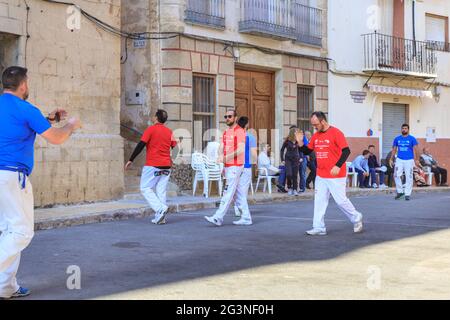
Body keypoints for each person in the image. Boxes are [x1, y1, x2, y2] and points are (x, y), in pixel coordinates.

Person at [0, 66, 82, 299]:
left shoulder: (15, 109)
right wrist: (71, 125)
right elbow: (56, 138)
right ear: (23, 85)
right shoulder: (26, 108)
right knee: (21, 233)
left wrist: (48, 118)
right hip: (12, 177)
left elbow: (17, 125)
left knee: (8, 230)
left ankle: (5, 287)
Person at [297, 112, 363, 236]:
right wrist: (300, 142)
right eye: (313, 125)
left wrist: (338, 166)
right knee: (319, 201)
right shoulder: (316, 136)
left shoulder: (336, 133)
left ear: (323, 122)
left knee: (341, 201)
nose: (314, 128)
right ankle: (319, 227)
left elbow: (346, 151)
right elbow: (307, 151)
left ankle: (356, 217)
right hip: (321, 174)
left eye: (316, 125)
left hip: (336, 175)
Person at [125, 109, 177, 225]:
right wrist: (171, 159)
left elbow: (140, 145)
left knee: (145, 188)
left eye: (154, 116)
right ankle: (161, 218)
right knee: (161, 190)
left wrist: (131, 160)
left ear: (156, 118)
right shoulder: (169, 132)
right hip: (166, 166)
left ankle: (160, 209)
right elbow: (175, 147)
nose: (153, 117)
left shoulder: (151, 129)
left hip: (153, 165)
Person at [204, 110, 247, 226]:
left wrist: (225, 157)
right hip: (228, 166)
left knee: (227, 192)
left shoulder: (240, 131)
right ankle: (247, 217)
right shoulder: (226, 132)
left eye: (230, 116)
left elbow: (241, 150)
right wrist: (220, 157)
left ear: (235, 118)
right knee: (239, 193)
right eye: (226, 116)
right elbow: (221, 147)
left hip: (236, 165)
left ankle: (218, 217)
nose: (227, 118)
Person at [233, 116, 257, 225]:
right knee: (242, 192)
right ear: (246, 125)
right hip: (246, 166)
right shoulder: (250, 137)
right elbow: (253, 154)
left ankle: (241, 211)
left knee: (237, 191)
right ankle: (245, 216)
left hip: (235, 166)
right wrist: (256, 165)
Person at [390, 124, 420, 201]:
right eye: (403, 128)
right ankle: (400, 192)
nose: (404, 129)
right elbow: (394, 149)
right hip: (399, 159)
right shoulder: (397, 139)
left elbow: (416, 150)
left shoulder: (412, 139)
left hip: (409, 160)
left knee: (409, 177)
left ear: (408, 129)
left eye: (405, 128)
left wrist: (417, 159)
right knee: (396, 175)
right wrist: (391, 158)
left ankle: (407, 194)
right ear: (401, 129)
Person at [281, 127, 301, 196]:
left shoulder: (298, 140)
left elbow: (301, 149)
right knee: (289, 174)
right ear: (293, 133)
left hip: (296, 159)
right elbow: (282, 150)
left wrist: (301, 157)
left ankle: (295, 189)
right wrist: (282, 159)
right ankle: (289, 188)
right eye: (296, 132)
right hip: (288, 159)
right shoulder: (287, 141)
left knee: (295, 175)